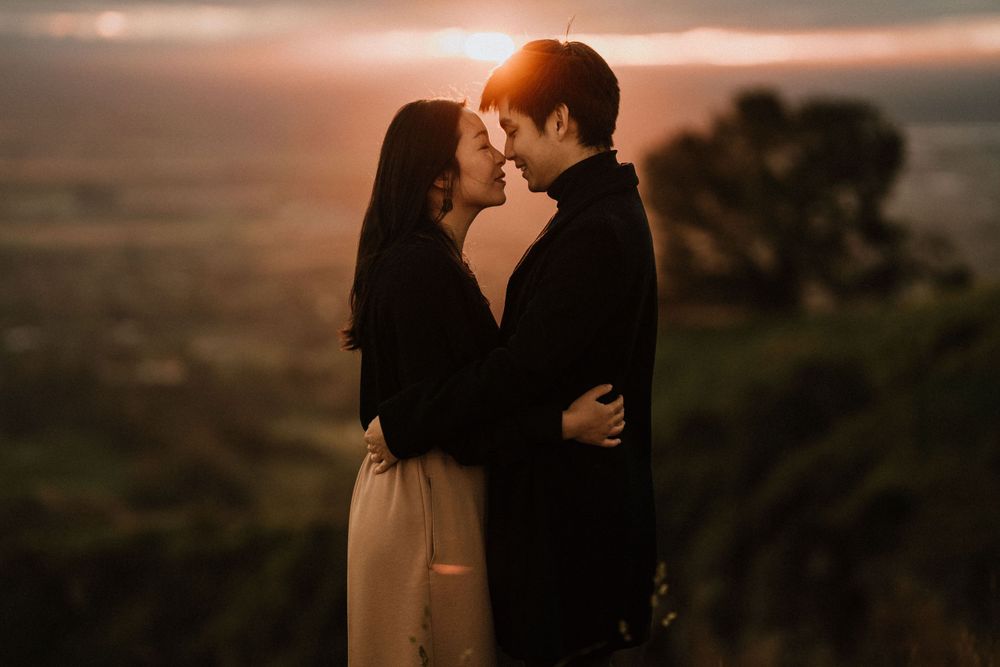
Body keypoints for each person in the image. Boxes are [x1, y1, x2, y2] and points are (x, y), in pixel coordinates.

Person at [364, 41, 659, 666]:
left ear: (560, 120)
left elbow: (520, 370)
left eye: (513, 130)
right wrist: (557, 424)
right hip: (530, 532)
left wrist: (404, 422)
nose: (508, 152)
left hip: (571, 542)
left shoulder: (595, 231)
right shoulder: (592, 219)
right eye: (491, 138)